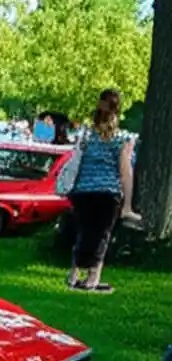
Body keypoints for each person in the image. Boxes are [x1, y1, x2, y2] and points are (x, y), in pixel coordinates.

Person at [65, 89, 140, 294]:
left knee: (85, 231)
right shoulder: (122, 138)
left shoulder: (86, 135)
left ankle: (73, 274)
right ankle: (92, 279)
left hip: (82, 191)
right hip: (107, 192)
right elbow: (125, 172)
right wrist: (127, 204)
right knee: (101, 235)